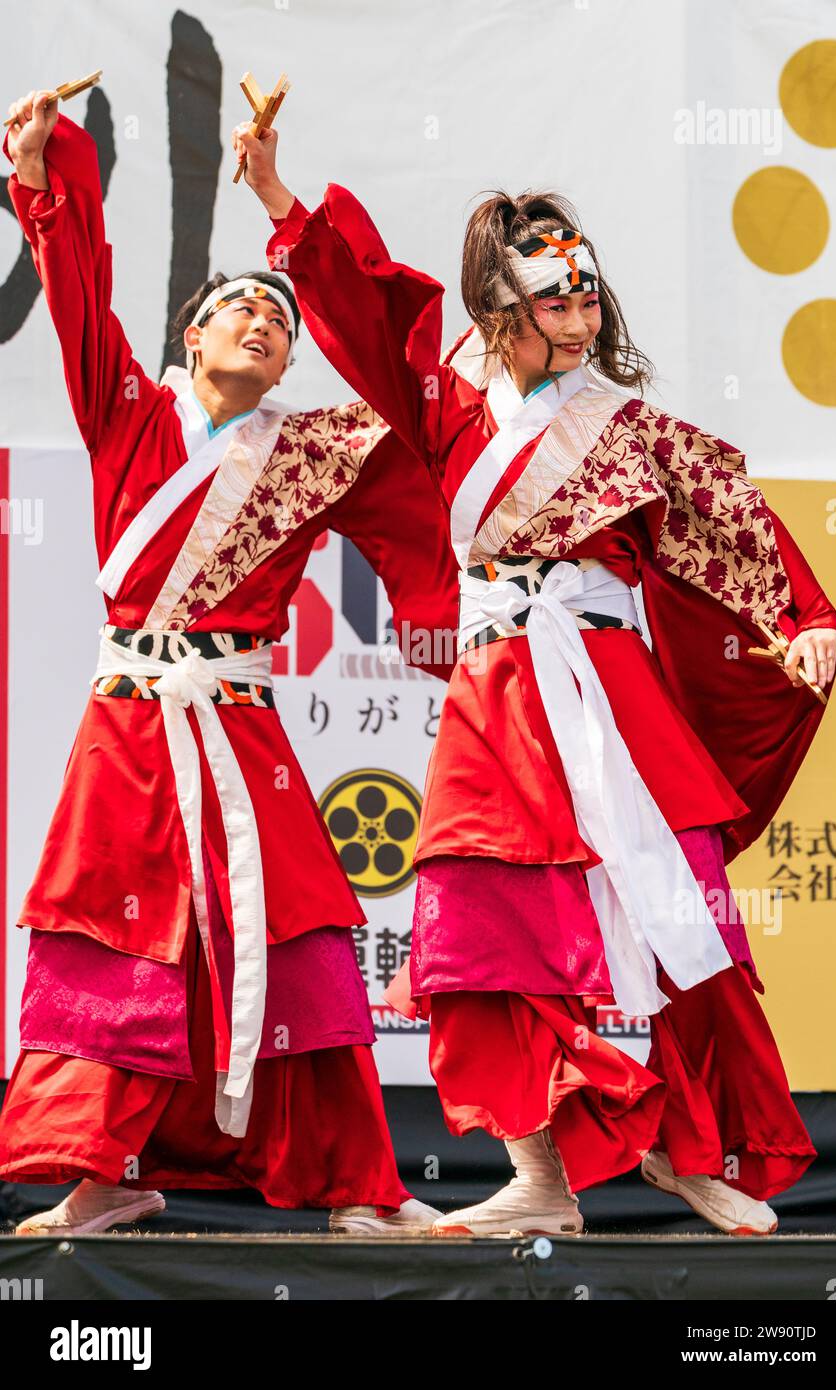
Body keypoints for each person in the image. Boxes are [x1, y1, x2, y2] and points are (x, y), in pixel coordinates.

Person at [237, 123, 836, 1238]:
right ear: (502, 312)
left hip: (608, 684)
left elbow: (726, 519)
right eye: (558, 301)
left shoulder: (626, 430)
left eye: (588, 296)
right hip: (493, 692)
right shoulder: (439, 386)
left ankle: (684, 1148)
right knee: (478, 933)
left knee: (680, 916)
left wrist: (799, 618)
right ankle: (541, 1176)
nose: (583, 315)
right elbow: (367, 302)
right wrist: (279, 193)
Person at [0, 92, 456, 1237]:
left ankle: (361, 1182)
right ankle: (103, 1173)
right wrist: (43, 172)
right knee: (115, 937)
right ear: (187, 338)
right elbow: (77, 297)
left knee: (296, 943)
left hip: (240, 723)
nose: (262, 322)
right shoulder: (124, 412)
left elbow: (416, 458)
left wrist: (429, 604)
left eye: (278, 320)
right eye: (239, 308)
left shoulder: (311, 455)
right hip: (131, 725)